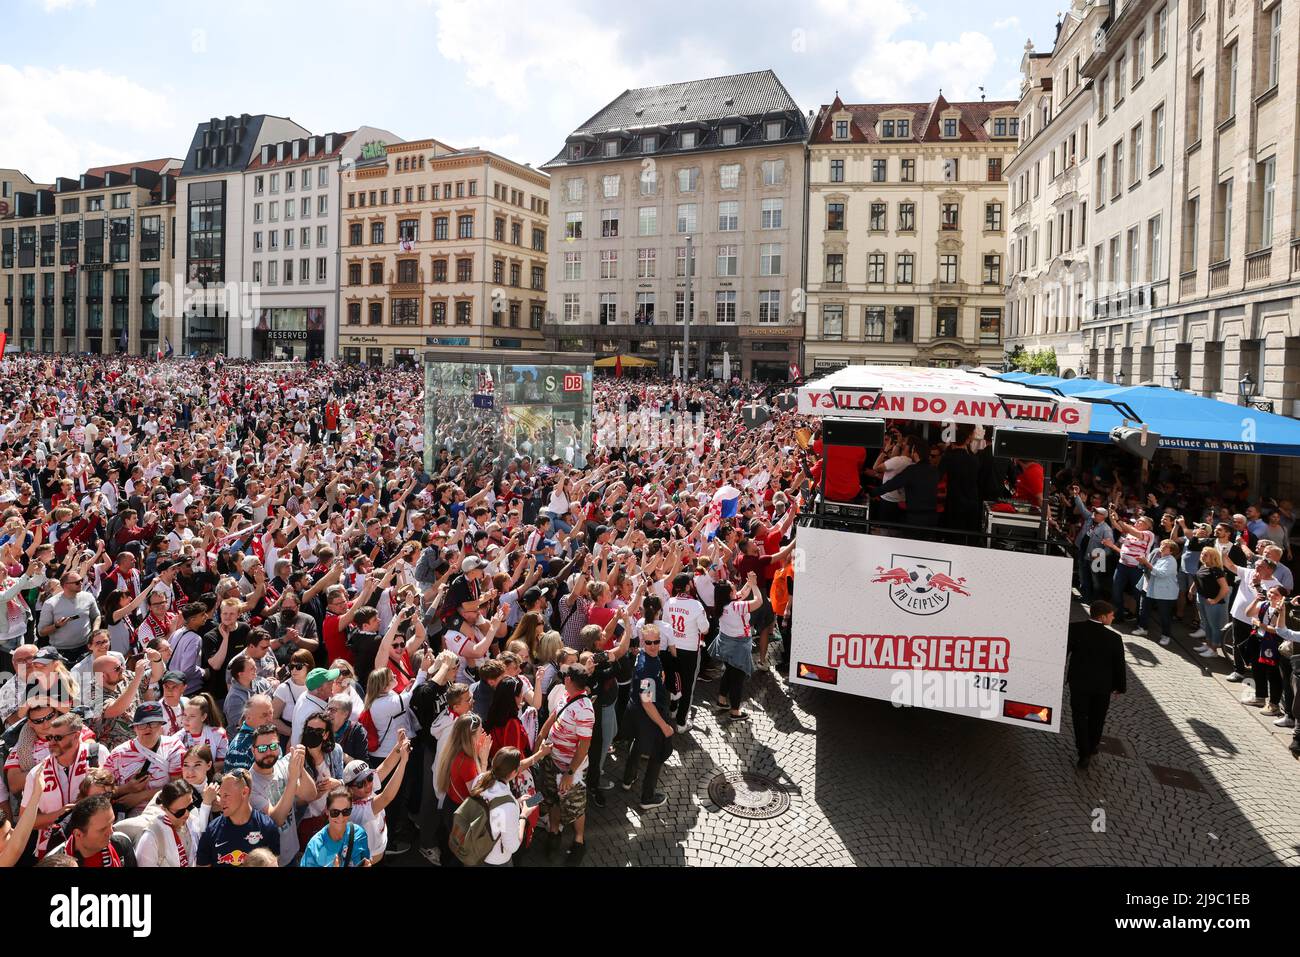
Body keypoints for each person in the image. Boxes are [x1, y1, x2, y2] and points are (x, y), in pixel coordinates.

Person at [535, 664, 593, 865]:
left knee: (576, 806)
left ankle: (579, 841)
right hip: (553, 760)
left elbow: (584, 746)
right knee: (552, 797)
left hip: (570, 769)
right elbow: (552, 719)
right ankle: (553, 831)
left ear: (569, 680)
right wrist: (541, 739)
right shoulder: (566, 696)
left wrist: (570, 773)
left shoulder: (585, 710)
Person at [1065, 600, 1127, 770]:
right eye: (1111, 615)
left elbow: (1065, 652)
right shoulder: (1114, 638)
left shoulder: (1075, 629)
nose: (1113, 617)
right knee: (1097, 718)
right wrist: (1119, 687)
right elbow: (1119, 666)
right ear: (1102, 617)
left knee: (1079, 717)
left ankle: (1083, 752)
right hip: (1102, 687)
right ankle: (1092, 746)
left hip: (1079, 683)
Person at [621, 622, 674, 809]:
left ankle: (628, 778)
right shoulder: (647, 669)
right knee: (658, 753)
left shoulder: (644, 655)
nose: (653, 646)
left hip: (635, 710)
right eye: (649, 642)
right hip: (647, 714)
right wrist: (664, 726)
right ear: (643, 641)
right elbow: (647, 702)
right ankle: (647, 797)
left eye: (657, 642)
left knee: (637, 742)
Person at [341, 727, 411, 864]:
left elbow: (385, 766)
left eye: (370, 778)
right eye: (360, 784)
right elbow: (386, 797)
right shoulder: (355, 810)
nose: (368, 785)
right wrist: (403, 762)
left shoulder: (364, 791)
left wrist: (399, 746)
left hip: (379, 850)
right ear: (349, 789)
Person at [708, 572, 764, 720]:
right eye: (733, 587)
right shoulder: (737, 606)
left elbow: (741, 593)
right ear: (729, 593)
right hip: (738, 646)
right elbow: (758, 601)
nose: (736, 589)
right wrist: (754, 585)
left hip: (725, 643)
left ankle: (721, 700)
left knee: (729, 671)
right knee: (737, 679)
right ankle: (735, 711)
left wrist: (749, 583)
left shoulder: (722, 604)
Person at [197, 768, 280, 867]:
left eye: (226, 795)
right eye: (220, 795)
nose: (221, 801)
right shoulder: (212, 830)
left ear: (244, 792)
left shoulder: (267, 827)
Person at [466, 747, 526, 866]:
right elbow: (512, 847)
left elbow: (493, 809)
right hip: (496, 860)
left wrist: (515, 802)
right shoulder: (510, 805)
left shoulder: (480, 780)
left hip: (474, 850)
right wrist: (523, 815)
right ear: (514, 772)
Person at [46, 794, 137, 867]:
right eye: (102, 829)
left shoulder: (121, 842)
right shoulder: (55, 862)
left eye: (112, 823)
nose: (111, 832)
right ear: (78, 834)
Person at [300, 786, 371, 867]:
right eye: (335, 812)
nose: (340, 817)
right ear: (327, 810)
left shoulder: (360, 834)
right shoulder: (315, 846)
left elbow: (364, 860)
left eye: (346, 811)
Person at [1133, 539, 1180, 644]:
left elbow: (1161, 574)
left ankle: (1166, 636)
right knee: (1144, 610)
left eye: (1166, 546)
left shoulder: (1171, 561)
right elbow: (1147, 568)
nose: (1162, 546)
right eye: (1162, 544)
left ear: (1171, 551)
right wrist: (1143, 563)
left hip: (1165, 594)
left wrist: (1146, 563)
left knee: (1164, 615)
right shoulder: (1157, 556)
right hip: (1150, 589)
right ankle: (1143, 629)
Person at [1189, 547, 1231, 658]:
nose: (1202, 556)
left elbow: (1225, 588)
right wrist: (1192, 589)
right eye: (1202, 553)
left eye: (1206, 554)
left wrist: (1215, 600)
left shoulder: (1216, 570)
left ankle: (1213, 650)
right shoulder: (1203, 566)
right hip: (1202, 599)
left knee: (1214, 626)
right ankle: (1208, 645)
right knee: (1206, 624)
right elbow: (1198, 578)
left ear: (1213, 557)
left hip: (1213, 603)